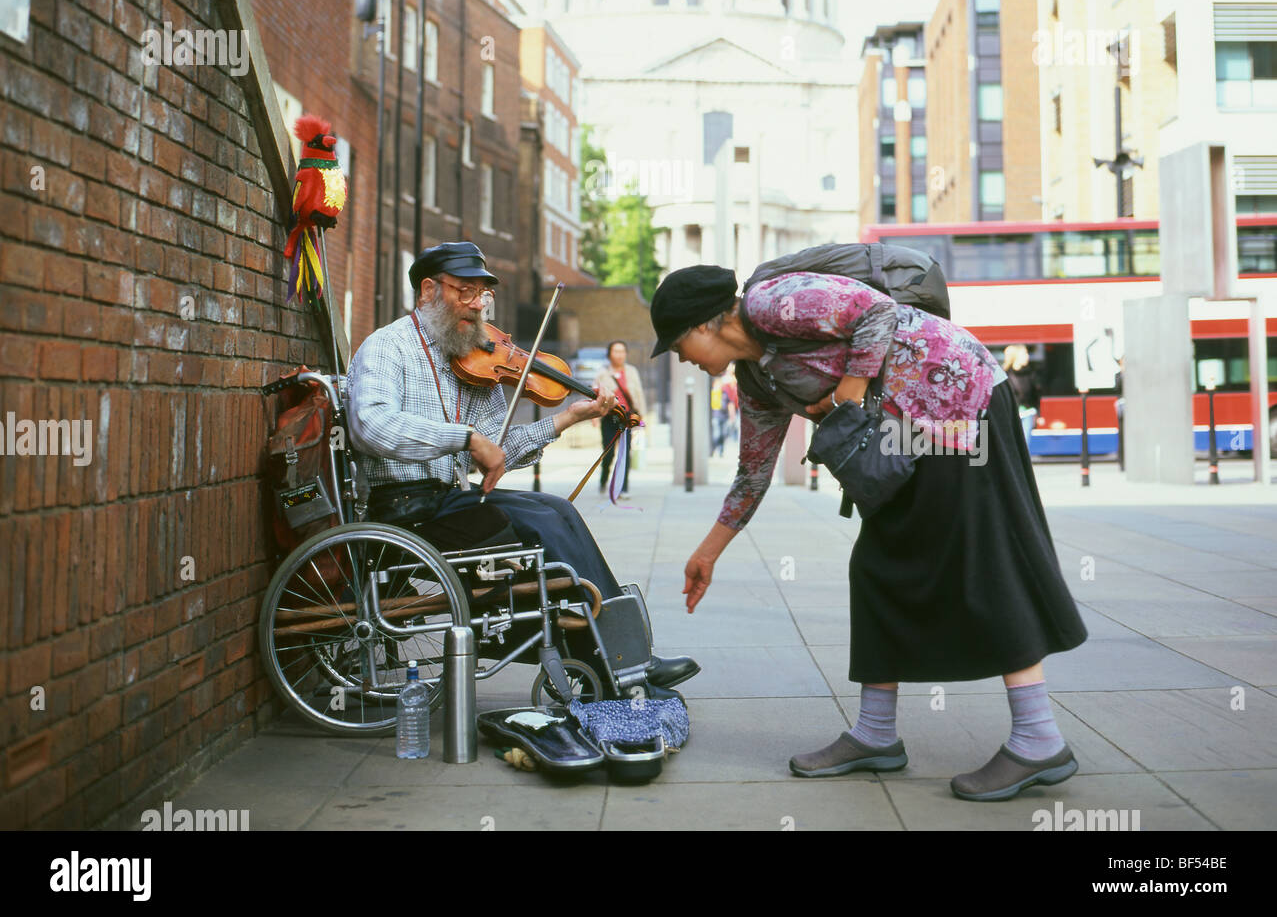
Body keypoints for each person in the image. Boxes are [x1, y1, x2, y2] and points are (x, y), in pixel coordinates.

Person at [649, 263, 1089, 801]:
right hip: (905, 435)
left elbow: (875, 311)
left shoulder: (772, 303)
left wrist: (847, 394)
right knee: (877, 567)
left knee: (982, 561)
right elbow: (753, 472)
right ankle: (876, 734)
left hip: (959, 405)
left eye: (677, 347)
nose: (684, 361)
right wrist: (707, 553)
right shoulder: (758, 380)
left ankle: (1038, 738)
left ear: (704, 326)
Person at [346, 240, 699, 690]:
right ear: (428, 291)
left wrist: (567, 419)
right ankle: (612, 656)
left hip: (446, 501)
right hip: (402, 509)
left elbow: (495, 452)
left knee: (560, 510)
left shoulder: (471, 353)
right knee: (544, 529)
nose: (477, 306)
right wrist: (464, 437)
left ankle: (622, 650)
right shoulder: (388, 347)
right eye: (465, 292)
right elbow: (370, 425)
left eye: (483, 295)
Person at [595, 340, 645, 495]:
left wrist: (642, 417)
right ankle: (604, 478)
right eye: (616, 351)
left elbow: (639, 394)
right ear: (609, 354)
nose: (619, 355)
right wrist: (594, 417)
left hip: (627, 417)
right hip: (610, 417)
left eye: (622, 351)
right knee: (608, 453)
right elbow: (595, 395)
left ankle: (623, 487)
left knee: (625, 452)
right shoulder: (603, 373)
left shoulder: (631, 371)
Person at [1002, 345, 1042, 449]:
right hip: (1012, 414)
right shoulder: (1006, 375)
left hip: (1028, 412)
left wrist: (1039, 414)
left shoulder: (1031, 373)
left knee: (1025, 444)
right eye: (1024, 354)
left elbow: (1036, 396)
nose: (1027, 356)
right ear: (1016, 356)